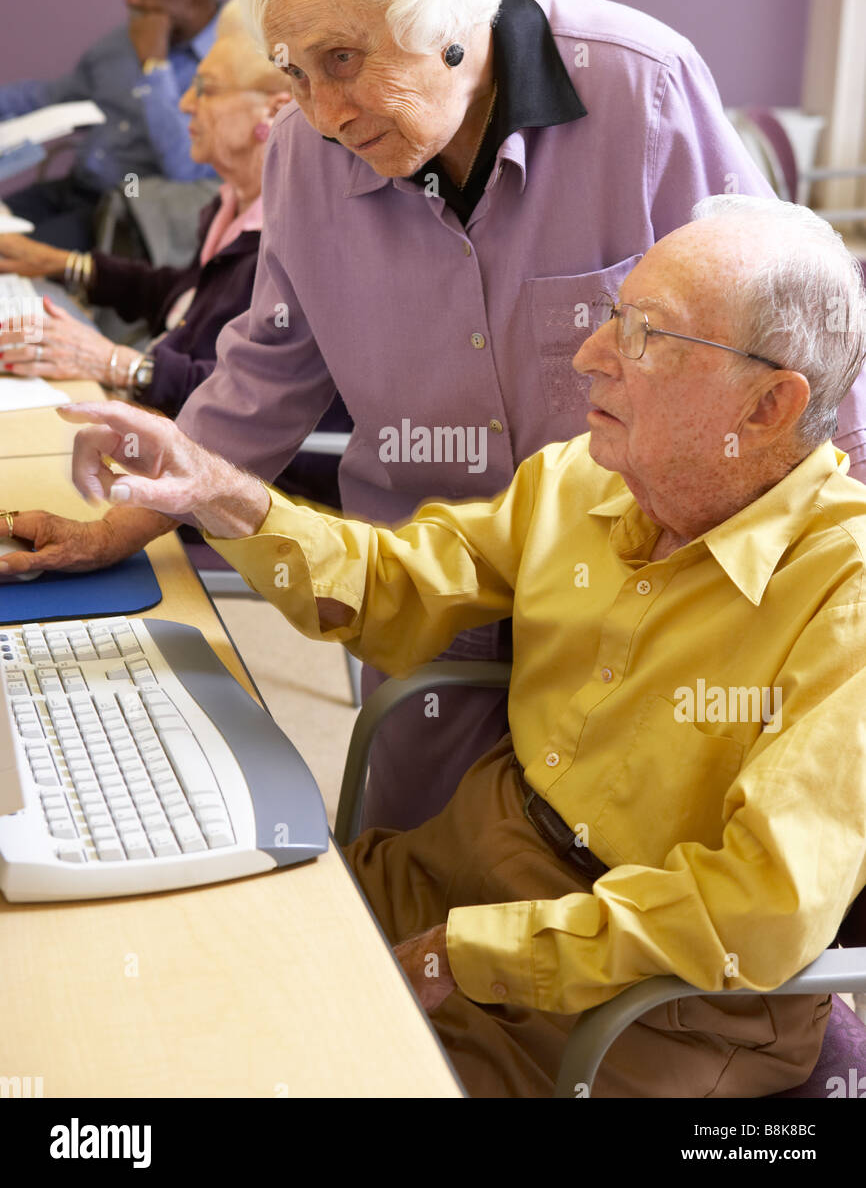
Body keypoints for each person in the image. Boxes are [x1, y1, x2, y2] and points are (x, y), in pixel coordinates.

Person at [0, 0, 846, 834]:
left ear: (450, 17)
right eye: (292, 72)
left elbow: (797, 351)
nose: (317, 112)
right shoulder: (308, 156)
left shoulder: (644, 90)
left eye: (342, 63)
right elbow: (264, 373)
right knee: (403, 874)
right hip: (423, 596)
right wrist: (121, 526)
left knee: (616, 892)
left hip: (643, 612)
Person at [36, 195, 866, 1099]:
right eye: (612, 318)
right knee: (170, 952)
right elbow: (393, 585)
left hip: (652, 995)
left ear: (770, 403)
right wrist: (210, 489)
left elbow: (759, 910)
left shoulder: (843, 598)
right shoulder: (581, 480)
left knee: (274, 1068)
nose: (591, 357)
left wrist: (471, 956)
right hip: (459, 867)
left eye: (647, 336)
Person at [0, 26, 351, 507]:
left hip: (209, 471)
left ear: (271, 110)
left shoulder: (295, 237)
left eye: (205, 89)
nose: (184, 103)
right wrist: (65, 264)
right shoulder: (230, 208)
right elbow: (184, 297)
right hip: (163, 434)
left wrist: (117, 364)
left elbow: (252, 395)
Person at [0, 0, 226, 250]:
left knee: (9, 258)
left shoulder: (229, 63)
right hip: (71, 188)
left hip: (125, 215)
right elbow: (48, 97)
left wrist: (154, 67)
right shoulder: (120, 43)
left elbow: (186, 167)